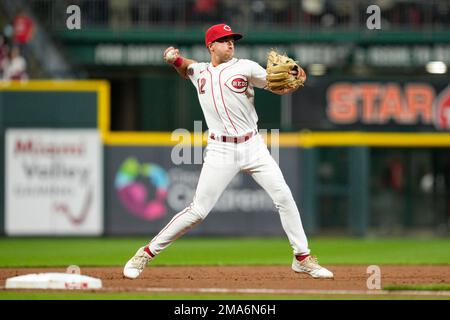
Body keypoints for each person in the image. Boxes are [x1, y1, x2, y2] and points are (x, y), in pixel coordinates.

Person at [123, 23, 333, 279]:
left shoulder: (246, 67)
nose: (230, 43)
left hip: (253, 145)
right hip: (220, 148)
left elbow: (278, 85)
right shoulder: (199, 71)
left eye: (232, 40)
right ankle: (144, 254)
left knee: (284, 197)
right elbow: (187, 67)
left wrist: (296, 77)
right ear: (211, 46)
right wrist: (174, 59)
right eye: (224, 40)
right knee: (198, 211)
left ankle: (302, 258)